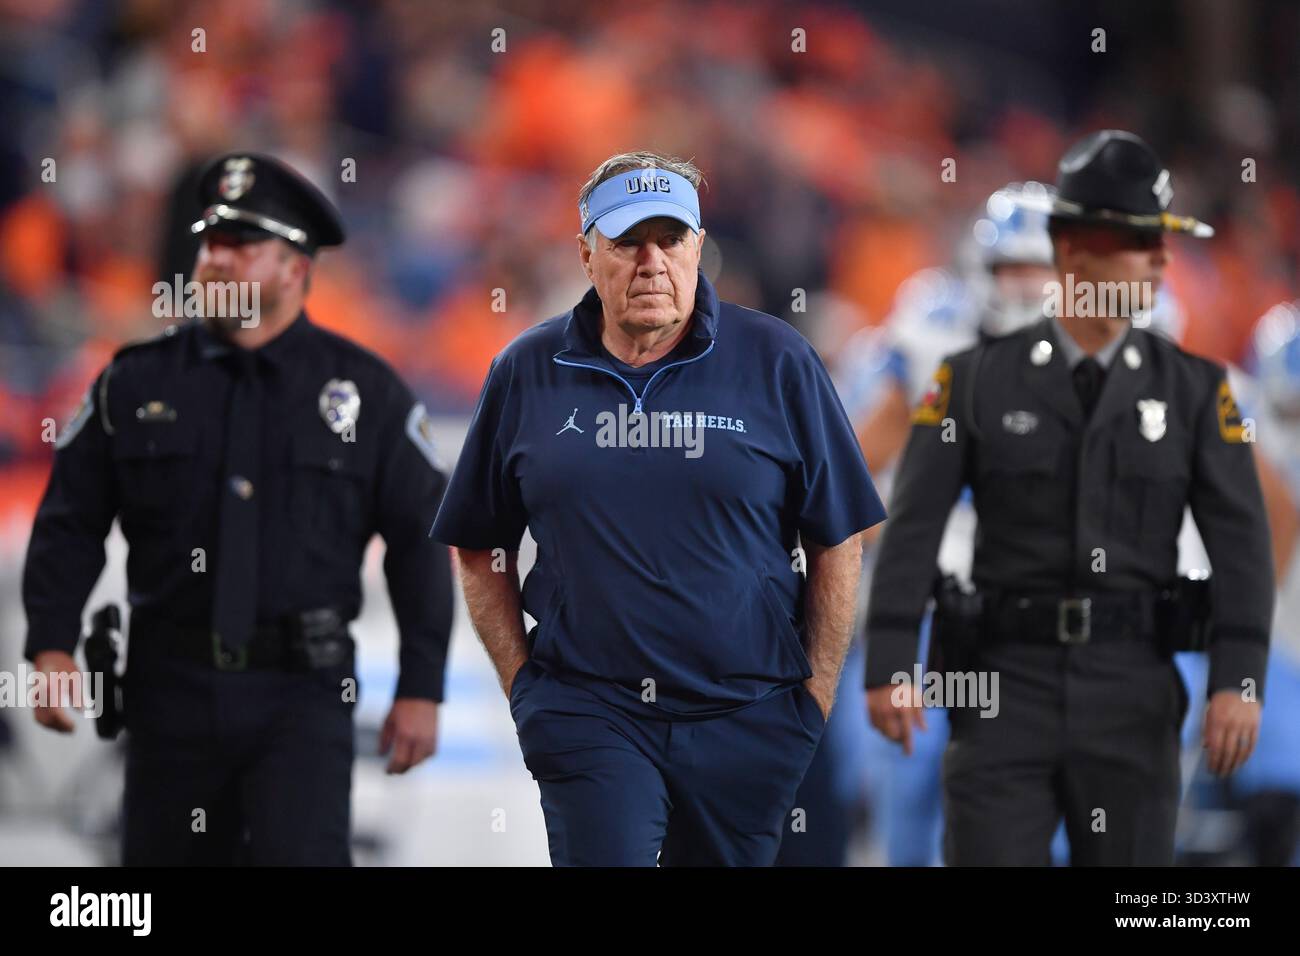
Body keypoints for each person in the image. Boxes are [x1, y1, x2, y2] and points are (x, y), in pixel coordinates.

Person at [431, 150, 885, 866]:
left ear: (699, 245)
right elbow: (477, 543)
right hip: (591, 713)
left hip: (748, 717)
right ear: (586, 252)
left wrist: (810, 706)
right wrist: (529, 694)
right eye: (626, 242)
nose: (652, 262)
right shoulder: (527, 370)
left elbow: (838, 538)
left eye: (671, 239)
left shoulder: (777, 361)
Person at [22, 152, 454, 865]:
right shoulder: (134, 383)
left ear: (295, 267)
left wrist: (421, 686)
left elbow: (420, 542)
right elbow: (71, 520)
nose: (215, 260)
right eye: (210, 242)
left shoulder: (366, 393)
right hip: (168, 692)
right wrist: (50, 643)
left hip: (303, 697)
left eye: (241, 246)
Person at [864, 129, 1273, 865]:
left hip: (1135, 679)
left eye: (1160, 242)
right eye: (1138, 241)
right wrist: (890, 656)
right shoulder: (970, 377)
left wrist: (1238, 677)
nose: (1160, 261)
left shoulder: (1194, 387)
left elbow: (1244, 542)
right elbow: (911, 525)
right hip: (995, 676)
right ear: (1074, 252)